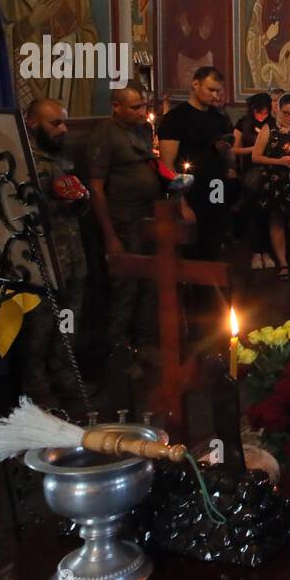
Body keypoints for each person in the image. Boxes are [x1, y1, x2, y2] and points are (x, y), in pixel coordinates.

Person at [19, 98, 89, 408]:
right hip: (41, 259)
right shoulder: (21, 160)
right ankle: (36, 387)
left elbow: (76, 205)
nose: (64, 129)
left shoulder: (62, 158)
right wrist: (57, 200)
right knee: (41, 327)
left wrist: (80, 197)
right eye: (55, 123)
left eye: (65, 122)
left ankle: (64, 374)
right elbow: (21, 209)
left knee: (68, 319)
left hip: (72, 256)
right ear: (32, 123)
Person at [89, 86, 163, 374]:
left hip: (147, 218)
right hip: (123, 221)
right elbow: (96, 187)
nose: (142, 112)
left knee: (149, 284)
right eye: (135, 107)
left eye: (143, 106)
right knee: (125, 289)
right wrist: (110, 236)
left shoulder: (142, 130)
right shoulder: (104, 134)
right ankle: (120, 354)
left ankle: (143, 344)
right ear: (116, 106)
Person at [157, 66, 233, 260]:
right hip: (190, 193)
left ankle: (211, 288)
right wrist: (182, 204)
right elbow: (167, 165)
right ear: (195, 84)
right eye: (211, 89)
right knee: (192, 248)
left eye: (218, 90)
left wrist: (225, 153)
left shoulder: (220, 118)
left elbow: (227, 161)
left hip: (216, 189)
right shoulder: (175, 118)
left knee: (214, 244)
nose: (216, 95)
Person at [251, 93, 290, 278]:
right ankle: (283, 263)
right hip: (274, 181)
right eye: (286, 113)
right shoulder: (269, 128)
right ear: (278, 110)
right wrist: (279, 161)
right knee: (277, 223)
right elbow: (256, 156)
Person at [233, 92, 275, 270]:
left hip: (271, 170)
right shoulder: (243, 124)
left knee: (267, 212)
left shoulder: (272, 125)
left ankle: (266, 251)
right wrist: (254, 149)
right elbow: (234, 150)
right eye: (259, 113)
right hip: (250, 171)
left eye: (265, 113)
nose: (262, 117)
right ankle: (256, 252)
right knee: (254, 210)